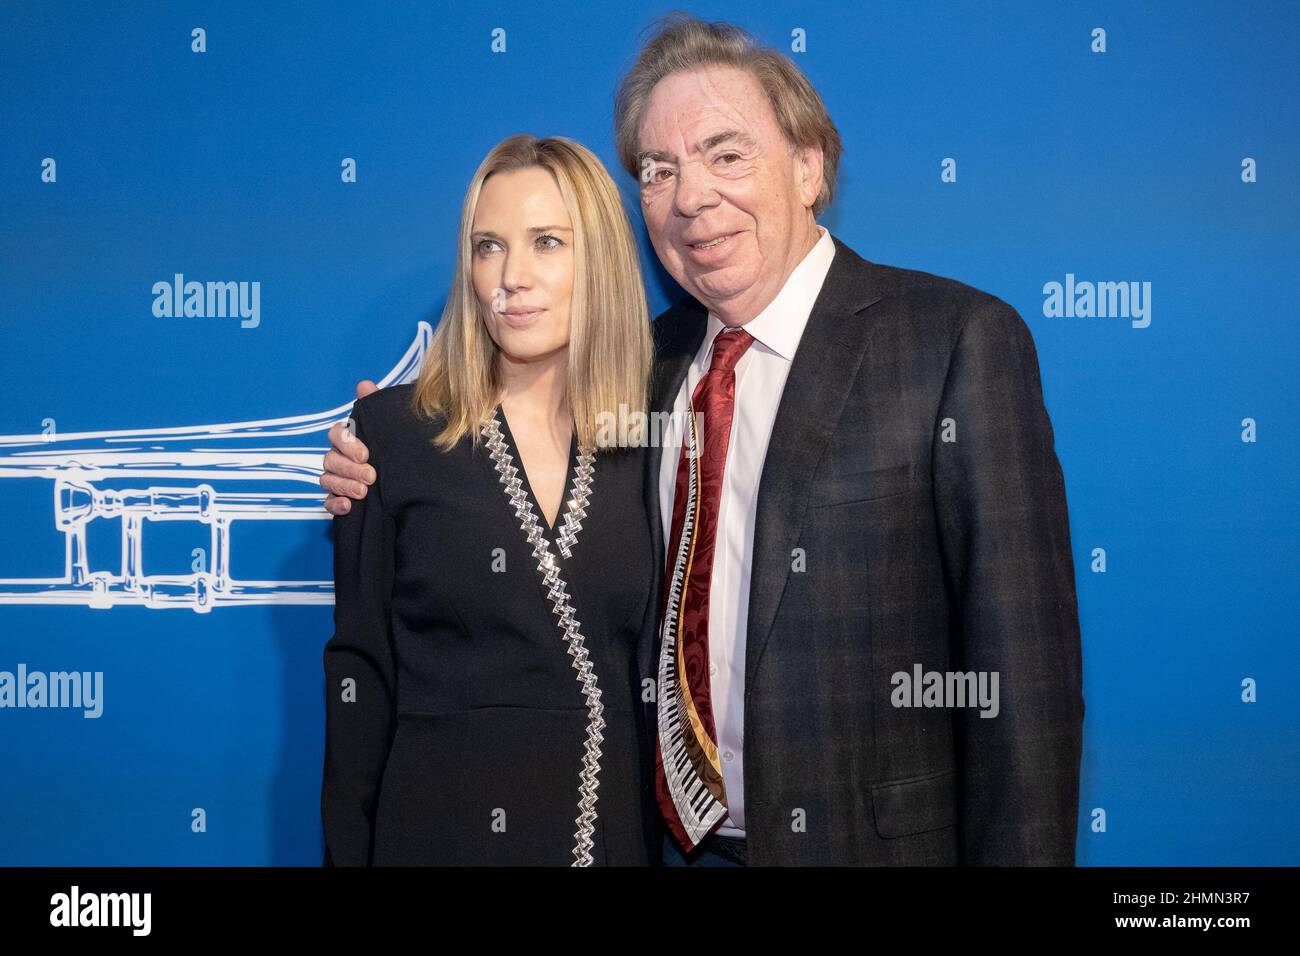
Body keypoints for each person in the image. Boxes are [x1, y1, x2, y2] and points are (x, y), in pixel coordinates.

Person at [323, 14, 1085, 867]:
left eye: (727, 155)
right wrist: (382, 453)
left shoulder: (952, 342)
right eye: (660, 170)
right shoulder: (642, 367)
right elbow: (489, 452)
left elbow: (1024, 692)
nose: (692, 197)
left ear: (809, 166)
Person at [320, 133, 658, 866]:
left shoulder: (649, 437)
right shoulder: (393, 437)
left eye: (546, 243)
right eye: (488, 246)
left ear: (598, 260)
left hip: (611, 837)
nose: (512, 277)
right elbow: (360, 676)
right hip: (439, 836)